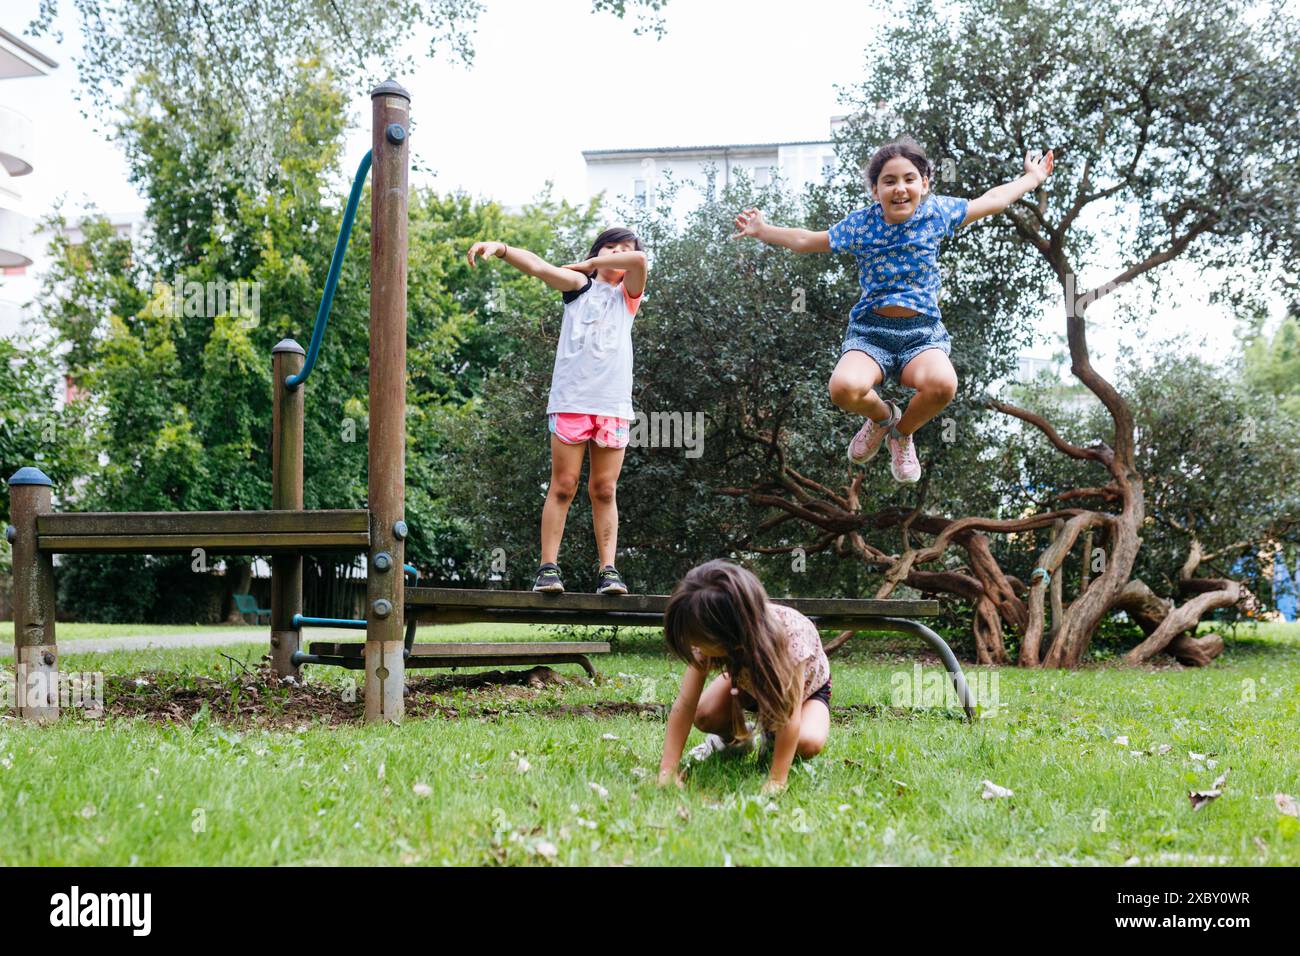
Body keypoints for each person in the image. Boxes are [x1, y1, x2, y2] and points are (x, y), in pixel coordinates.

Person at [732, 136, 1054, 482]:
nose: (900, 188)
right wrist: (763, 231)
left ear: (924, 184)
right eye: (889, 181)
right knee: (842, 389)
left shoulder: (936, 213)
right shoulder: (862, 225)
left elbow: (993, 200)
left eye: (909, 179)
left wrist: (1032, 179)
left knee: (944, 384)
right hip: (871, 333)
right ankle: (883, 417)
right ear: (875, 191)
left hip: (922, 336)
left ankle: (902, 434)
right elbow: (807, 240)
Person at [466, 227, 648, 594]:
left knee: (604, 489)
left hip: (612, 407)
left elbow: (640, 261)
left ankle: (608, 571)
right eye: (610, 247)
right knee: (563, 486)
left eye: (622, 250)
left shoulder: (628, 296)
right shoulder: (578, 287)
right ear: (597, 253)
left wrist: (596, 260)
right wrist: (502, 248)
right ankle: (548, 569)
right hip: (571, 403)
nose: (619, 254)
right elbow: (537, 267)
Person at [657, 560, 831, 794]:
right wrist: (668, 770)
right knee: (705, 714)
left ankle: (771, 742)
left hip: (804, 694)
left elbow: (790, 715)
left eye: (697, 639)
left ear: (729, 632)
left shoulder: (791, 636)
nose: (692, 644)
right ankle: (738, 741)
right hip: (745, 682)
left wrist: (777, 780)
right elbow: (686, 704)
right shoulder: (705, 633)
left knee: (807, 741)